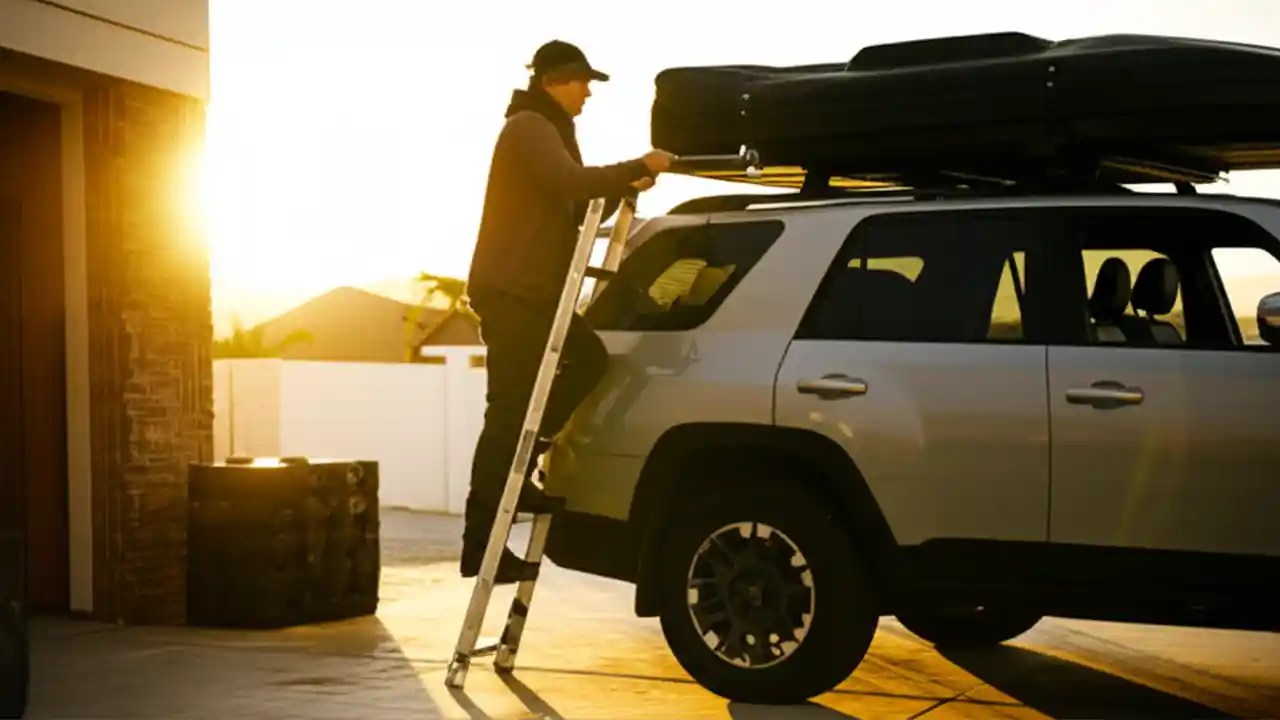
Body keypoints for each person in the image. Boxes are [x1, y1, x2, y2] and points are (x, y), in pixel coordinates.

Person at [462, 40, 676, 583]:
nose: (587, 93)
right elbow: (571, 185)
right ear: (556, 79)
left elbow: (576, 204)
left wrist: (627, 185)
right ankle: (479, 542)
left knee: (582, 363)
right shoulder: (530, 127)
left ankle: (523, 459)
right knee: (508, 409)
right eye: (582, 82)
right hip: (515, 292)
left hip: (536, 293)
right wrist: (637, 165)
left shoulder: (550, 131)